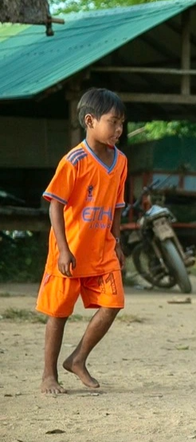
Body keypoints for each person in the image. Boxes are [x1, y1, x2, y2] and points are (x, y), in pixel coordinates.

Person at [38, 88, 128, 395]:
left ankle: (78, 358)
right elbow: (54, 204)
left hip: (102, 248)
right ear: (90, 121)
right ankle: (49, 376)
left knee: (113, 303)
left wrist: (116, 241)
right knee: (59, 313)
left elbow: (117, 205)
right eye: (113, 122)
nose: (119, 129)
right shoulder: (74, 160)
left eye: (121, 123)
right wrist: (63, 249)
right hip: (71, 250)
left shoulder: (121, 161)